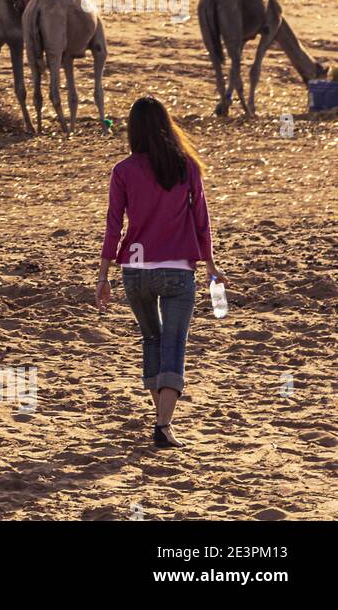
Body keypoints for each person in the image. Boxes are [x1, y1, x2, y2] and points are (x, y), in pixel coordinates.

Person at [97, 96, 223, 448]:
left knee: (151, 340)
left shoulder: (123, 170)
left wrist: (103, 274)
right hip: (177, 269)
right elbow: (202, 222)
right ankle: (164, 425)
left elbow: (113, 226)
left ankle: (161, 420)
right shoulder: (186, 167)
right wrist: (211, 264)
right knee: (174, 342)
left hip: (134, 270)